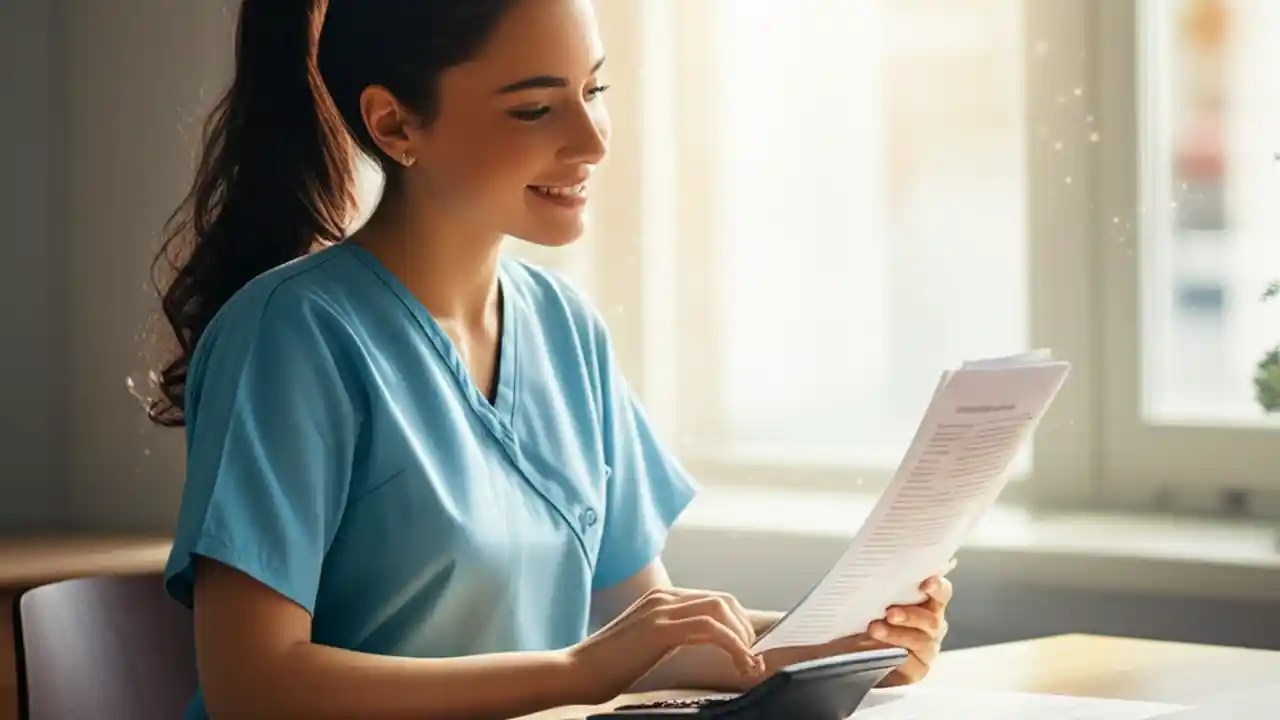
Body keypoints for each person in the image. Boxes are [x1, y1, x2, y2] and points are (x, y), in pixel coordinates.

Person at [148, 1, 954, 717]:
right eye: (536, 108)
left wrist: (850, 645)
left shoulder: (566, 329)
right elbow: (255, 686)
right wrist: (575, 670)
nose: (593, 140)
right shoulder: (292, 336)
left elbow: (654, 635)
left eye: (593, 92)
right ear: (395, 125)